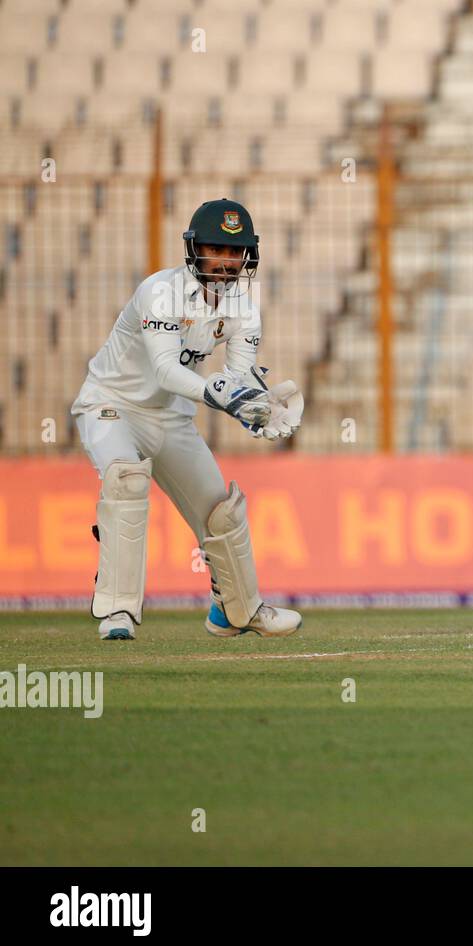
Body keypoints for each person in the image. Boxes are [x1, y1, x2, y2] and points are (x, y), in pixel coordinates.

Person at [70, 198, 304, 640]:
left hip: (170, 416)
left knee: (221, 512)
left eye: (236, 252)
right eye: (217, 249)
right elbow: (164, 370)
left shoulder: (244, 308)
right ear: (194, 249)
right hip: (112, 404)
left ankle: (237, 612)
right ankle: (117, 611)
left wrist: (254, 406)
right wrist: (219, 392)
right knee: (125, 480)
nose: (227, 261)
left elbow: (235, 379)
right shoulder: (159, 291)